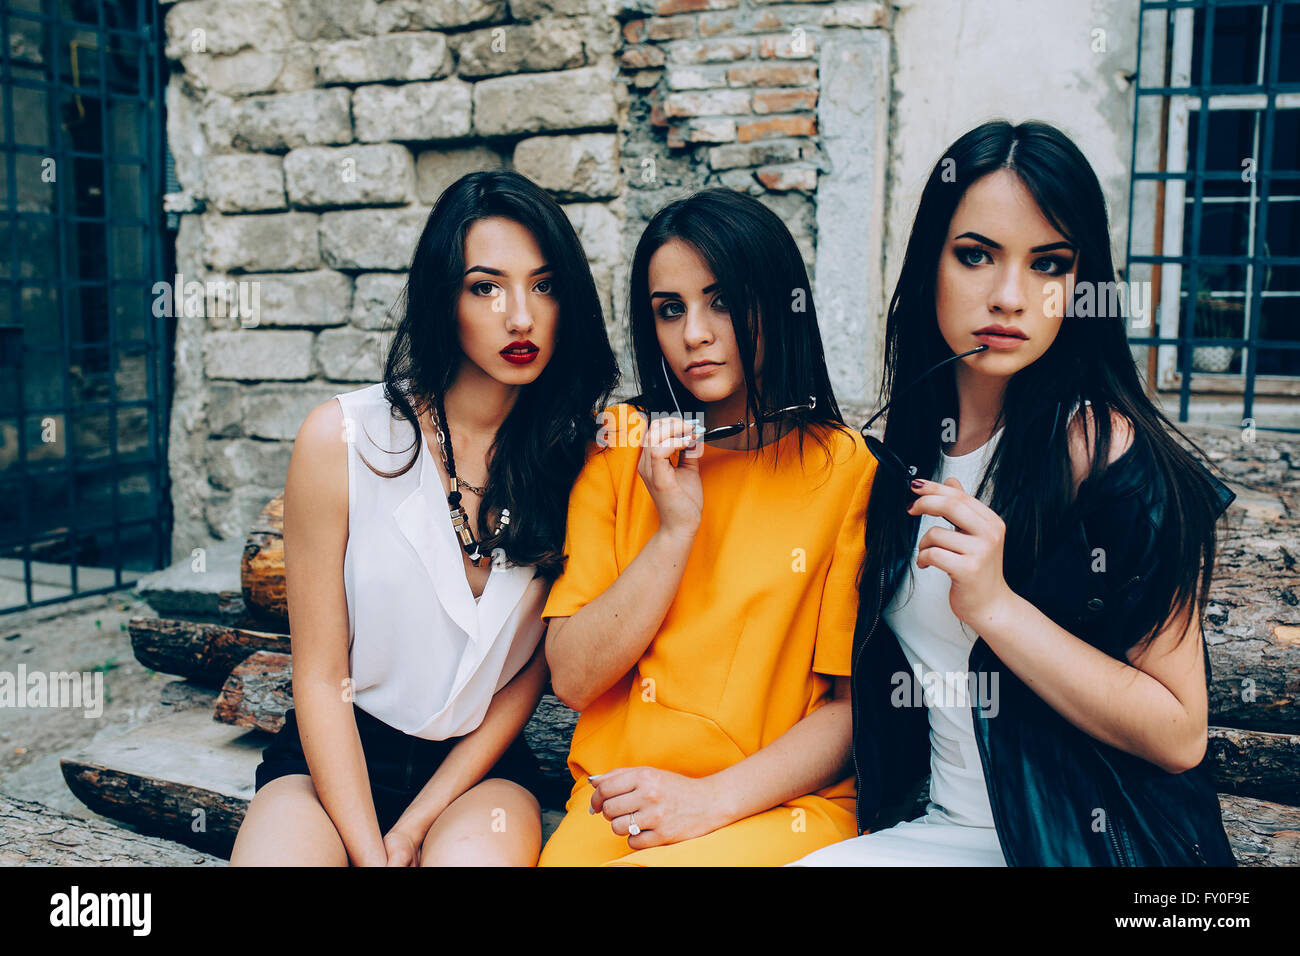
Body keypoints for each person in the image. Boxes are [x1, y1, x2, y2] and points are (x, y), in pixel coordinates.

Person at [795, 120, 1237, 867]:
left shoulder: (1108, 457)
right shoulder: (901, 459)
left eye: (1049, 265)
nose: (1010, 297)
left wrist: (999, 609)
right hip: (942, 832)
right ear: (929, 263)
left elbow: (1179, 732)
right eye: (976, 256)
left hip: (1090, 850)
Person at [229, 170, 618, 867]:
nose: (521, 317)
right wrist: (371, 853)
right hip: (334, 759)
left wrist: (413, 829)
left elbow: (527, 675)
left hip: (475, 774)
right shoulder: (342, 438)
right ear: (445, 296)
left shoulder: (579, 462)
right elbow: (320, 678)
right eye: (485, 286)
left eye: (545, 285)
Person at [536, 188, 877, 866]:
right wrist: (673, 531)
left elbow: (845, 713)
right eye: (670, 309)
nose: (694, 333)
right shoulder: (621, 446)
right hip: (621, 801)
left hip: (777, 806)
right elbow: (573, 678)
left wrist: (708, 802)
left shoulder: (844, 468)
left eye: (722, 301)